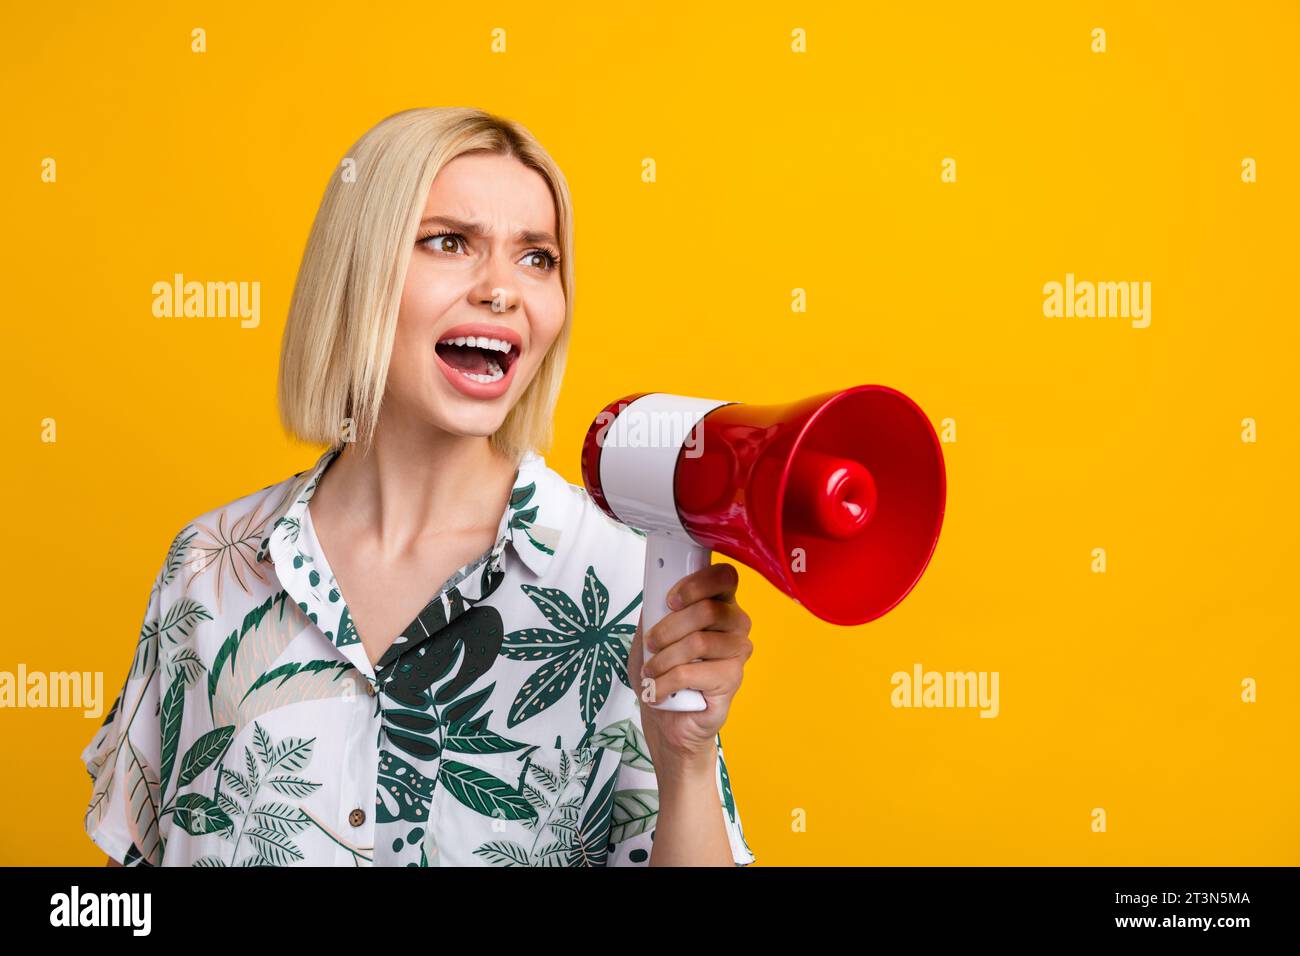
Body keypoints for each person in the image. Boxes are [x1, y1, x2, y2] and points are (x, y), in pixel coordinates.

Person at [81, 107, 756, 867]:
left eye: (537, 258)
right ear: (358, 272)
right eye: (449, 242)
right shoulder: (209, 567)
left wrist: (687, 760)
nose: (501, 290)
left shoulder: (622, 584)